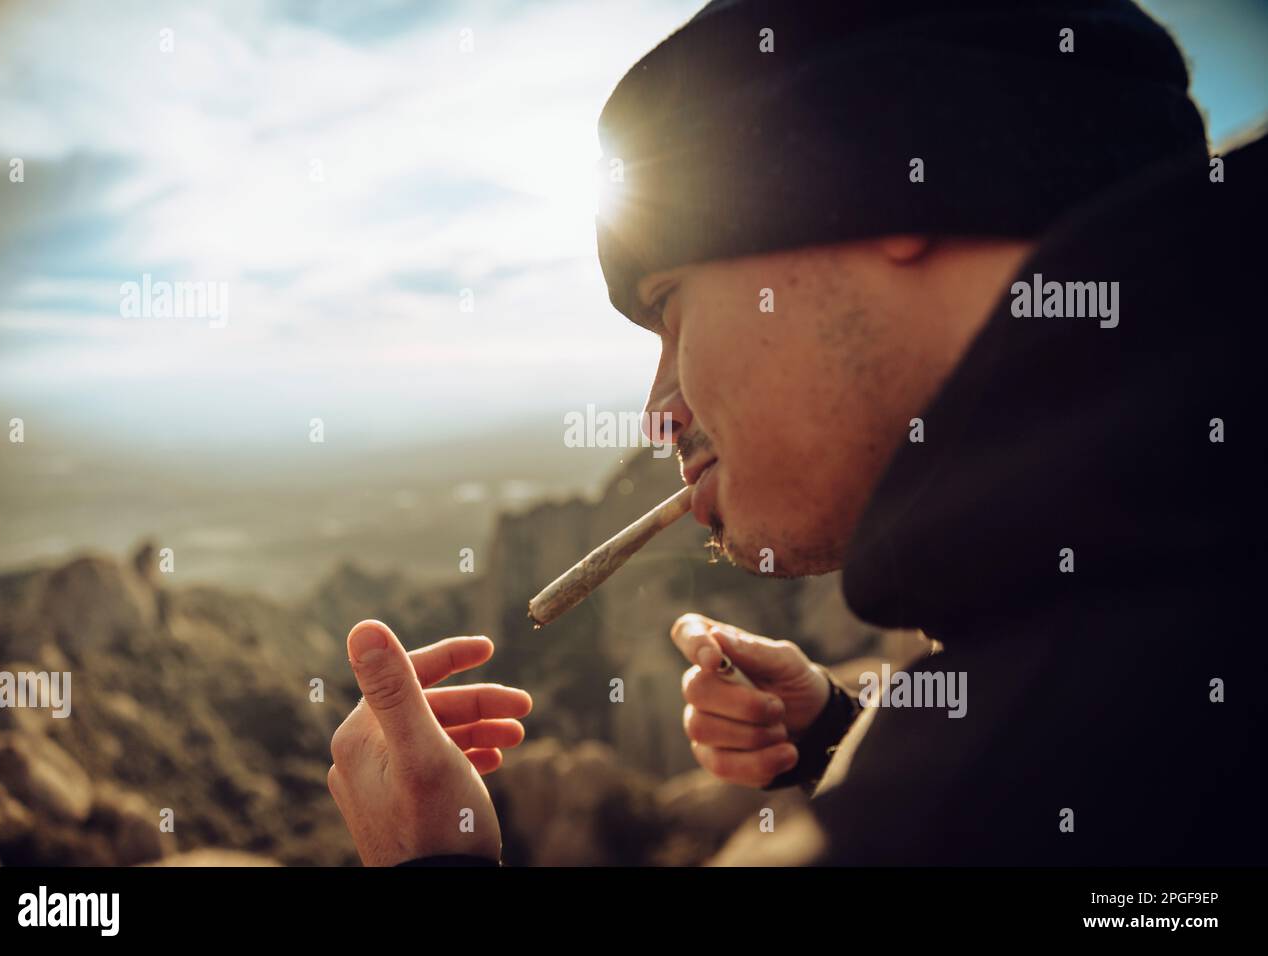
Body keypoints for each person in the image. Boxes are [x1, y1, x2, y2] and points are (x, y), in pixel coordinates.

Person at [327, 0, 1267, 865]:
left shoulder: (983, 795)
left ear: (898, 186)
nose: (660, 407)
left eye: (669, 304)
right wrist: (840, 732)